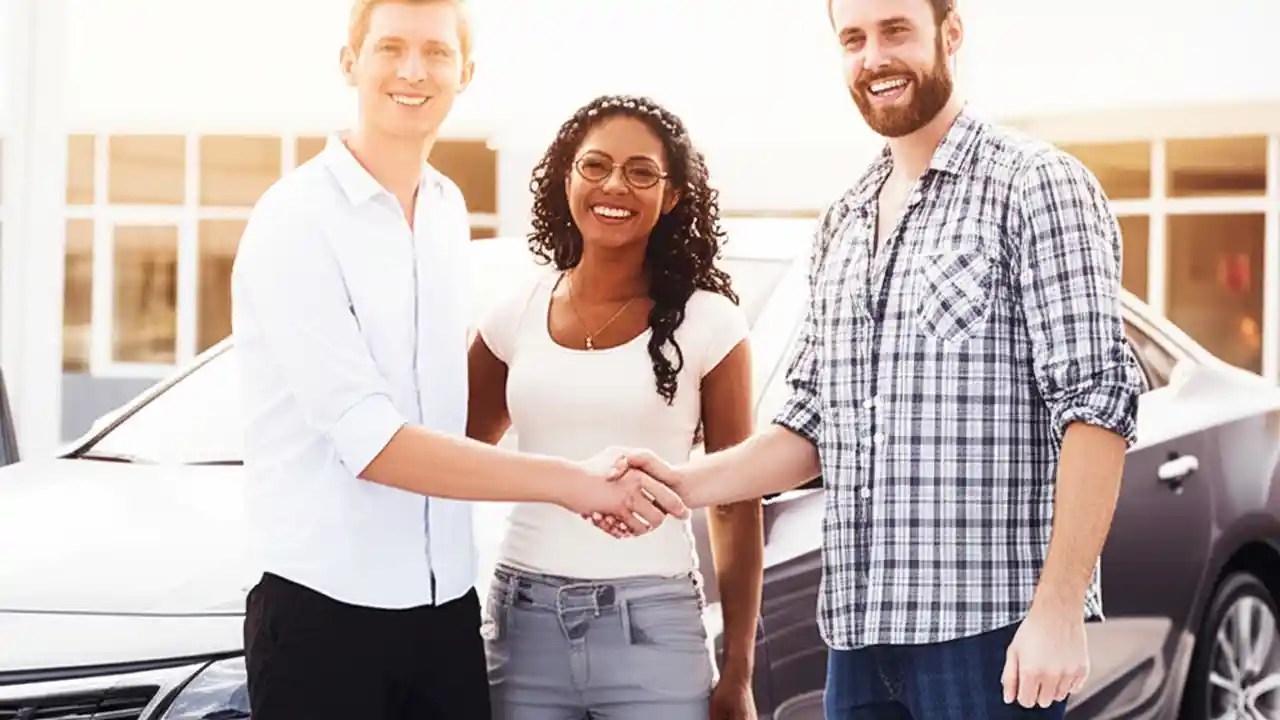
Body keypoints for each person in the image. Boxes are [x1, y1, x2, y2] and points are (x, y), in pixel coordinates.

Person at [609, 0, 1146, 718]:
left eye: (896, 31)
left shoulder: (1036, 185)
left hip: (989, 640)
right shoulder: (844, 217)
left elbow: (1097, 404)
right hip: (860, 644)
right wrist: (678, 482)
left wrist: (1058, 610)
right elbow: (807, 428)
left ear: (950, 34)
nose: (873, 58)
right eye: (852, 39)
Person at [229, 4, 685, 719]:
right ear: (350, 63)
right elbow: (372, 443)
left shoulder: (446, 211)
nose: (414, 71)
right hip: (324, 621)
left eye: (437, 53)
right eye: (391, 48)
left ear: (465, 73)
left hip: (445, 620)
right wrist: (572, 483)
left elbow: (460, 417)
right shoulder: (295, 220)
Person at [467, 94, 764, 719]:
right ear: (566, 177)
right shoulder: (510, 315)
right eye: (595, 166)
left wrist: (738, 669)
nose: (614, 186)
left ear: (674, 194)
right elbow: (453, 463)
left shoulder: (711, 324)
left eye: (640, 172)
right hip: (520, 628)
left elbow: (737, 503)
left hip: (652, 629)